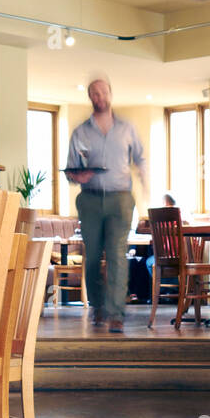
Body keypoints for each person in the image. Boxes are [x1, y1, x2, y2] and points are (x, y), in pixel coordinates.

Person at [65, 77, 146, 333]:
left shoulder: (127, 129)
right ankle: (98, 306)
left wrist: (145, 179)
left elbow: (140, 159)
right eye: (94, 94)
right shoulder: (80, 132)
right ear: (90, 98)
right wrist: (77, 176)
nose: (99, 97)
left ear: (110, 93)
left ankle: (116, 313)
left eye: (102, 93)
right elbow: (70, 171)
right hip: (89, 200)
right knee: (92, 258)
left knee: (117, 255)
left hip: (120, 198)